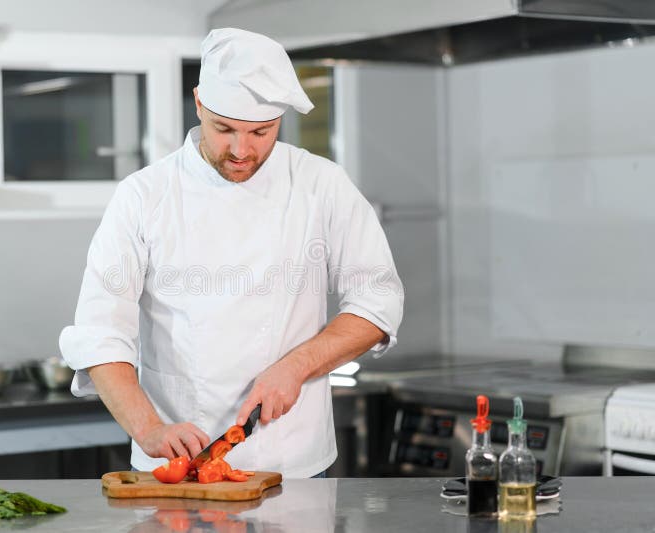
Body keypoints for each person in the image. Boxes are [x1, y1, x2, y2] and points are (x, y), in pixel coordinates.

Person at [60, 27, 404, 478]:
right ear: (199, 103)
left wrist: (297, 366)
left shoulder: (322, 185)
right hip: (176, 462)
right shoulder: (144, 195)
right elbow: (100, 331)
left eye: (261, 132)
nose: (242, 150)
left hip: (291, 460)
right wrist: (148, 429)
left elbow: (377, 301)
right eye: (224, 129)